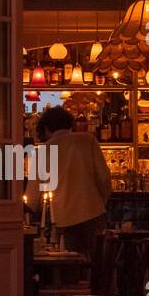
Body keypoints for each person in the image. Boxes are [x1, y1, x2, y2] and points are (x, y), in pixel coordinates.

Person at [35, 105, 111, 260]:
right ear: (70, 123)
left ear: (47, 128)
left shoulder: (44, 151)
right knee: (98, 264)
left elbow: (33, 194)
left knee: (69, 266)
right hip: (93, 211)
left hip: (62, 217)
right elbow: (104, 177)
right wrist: (102, 201)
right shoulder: (87, 140)